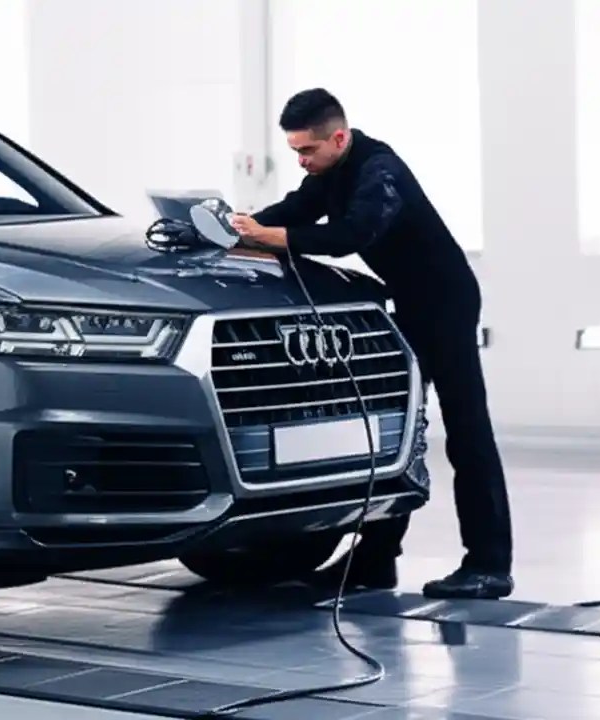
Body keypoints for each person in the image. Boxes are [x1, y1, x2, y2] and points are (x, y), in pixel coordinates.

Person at [229, 88, 514, 600]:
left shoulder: (380, 169)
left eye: (307, 150)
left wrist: (273, 237)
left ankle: (490, 565)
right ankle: (376, 559)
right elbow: (295, 208)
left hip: (445, 301)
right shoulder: (329, 171)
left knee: (467, 430)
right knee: (395, 427)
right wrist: (236, 230)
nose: (301, 160)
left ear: (338, 137)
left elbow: (351, 234)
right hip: (410, 302)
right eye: (295, 151)